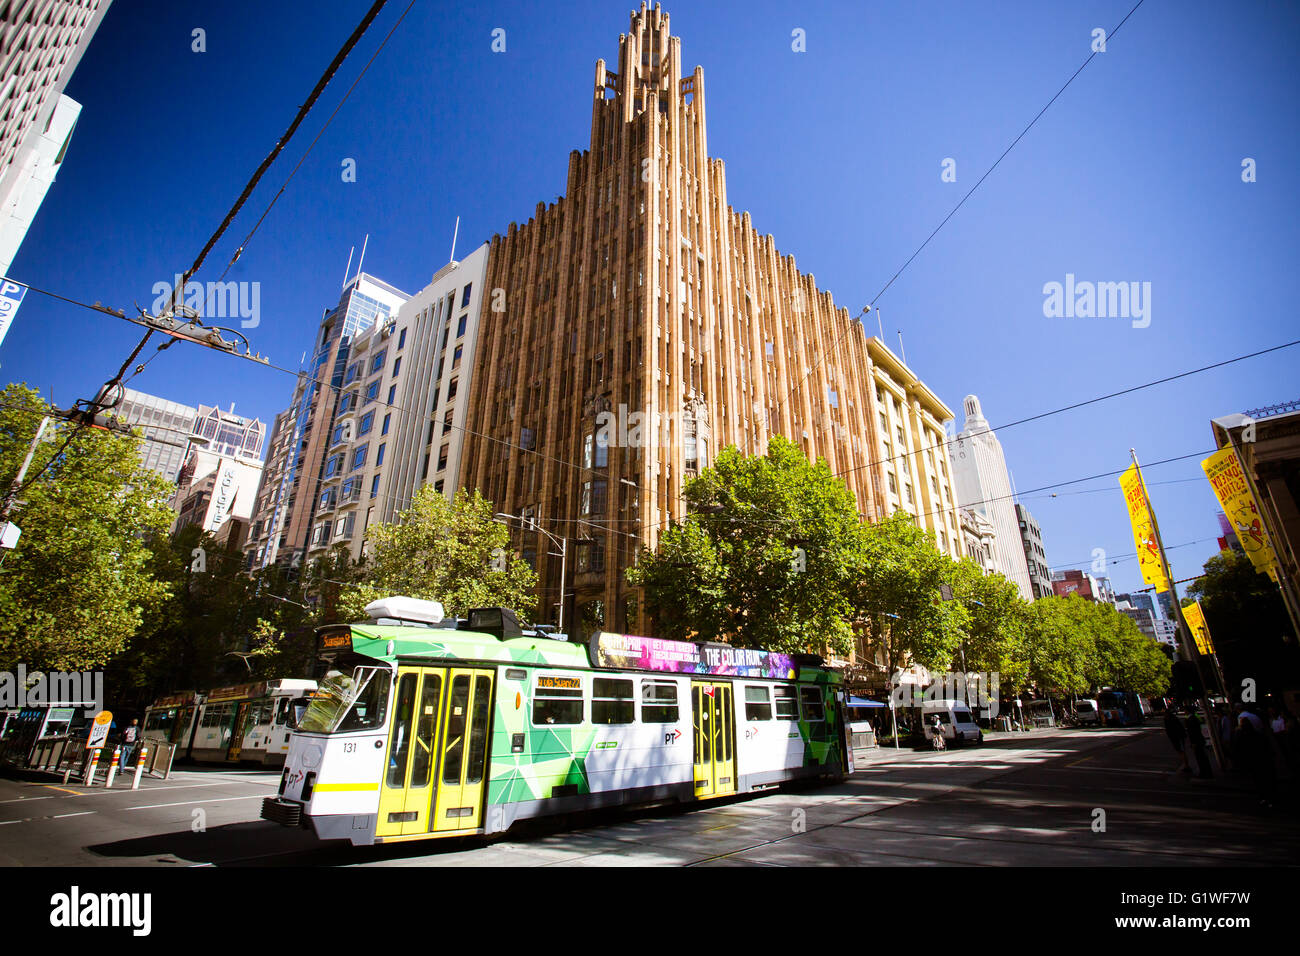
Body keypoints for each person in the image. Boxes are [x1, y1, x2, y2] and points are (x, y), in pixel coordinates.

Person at [1184, 710, 1213, 779]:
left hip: (1197, 742)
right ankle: (1207, 772)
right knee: (1203, 757)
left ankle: (1204, 773)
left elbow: (1193, 732)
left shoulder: (1190, 720)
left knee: (1200, 757)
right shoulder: (1194, 718)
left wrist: (1193, 742)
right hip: (1200, 740)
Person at [1163, 707, 1189, 772]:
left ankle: (1186, 766)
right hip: (1179, 736)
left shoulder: (1167, 719)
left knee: (1180, 751)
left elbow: (1169, 730)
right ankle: (1186, 765)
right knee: (1181, 751)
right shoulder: (1174, 718)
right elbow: (1180, 726)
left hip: (1175, 737)